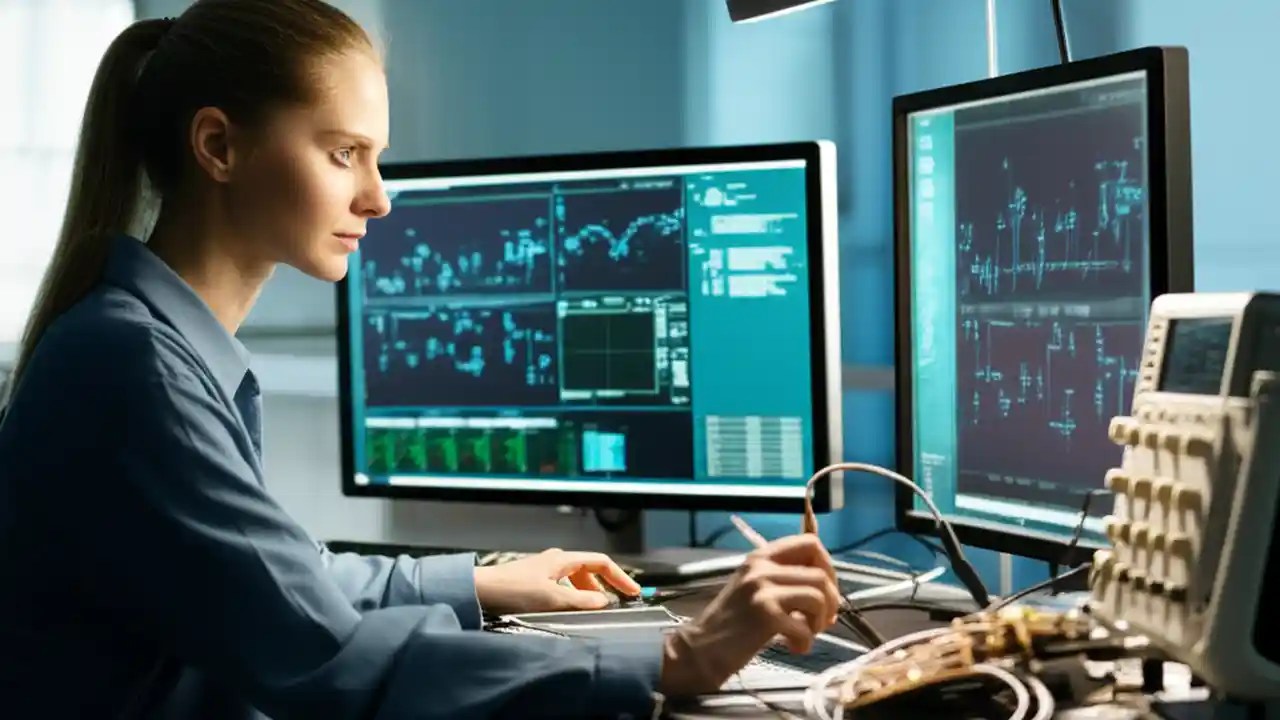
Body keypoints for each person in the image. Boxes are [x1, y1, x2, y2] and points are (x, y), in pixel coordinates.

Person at [0, 1, 843, 717]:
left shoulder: (146, 342)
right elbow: (327, 660)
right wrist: (678, 659)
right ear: (218, 147)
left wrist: (483, 582)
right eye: (344, 153)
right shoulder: (134, 366)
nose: (379, 196)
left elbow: (284, 578)